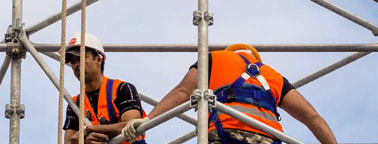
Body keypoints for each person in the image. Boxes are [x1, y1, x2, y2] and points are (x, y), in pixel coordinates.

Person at [134, 43, 338, 144]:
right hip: (267, 140)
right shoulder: (272, 75)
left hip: (226, 136)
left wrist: (147, 121)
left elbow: (182, 92)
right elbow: (313, 117)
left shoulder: (214, 59)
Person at [61, 32, 148, 144]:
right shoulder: (75, 104)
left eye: (81, 58)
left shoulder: (122, 89)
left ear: (98, 59)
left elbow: (131, 125)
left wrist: (89, 130)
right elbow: (70, 141)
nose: (76, 65)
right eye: (73, 62)